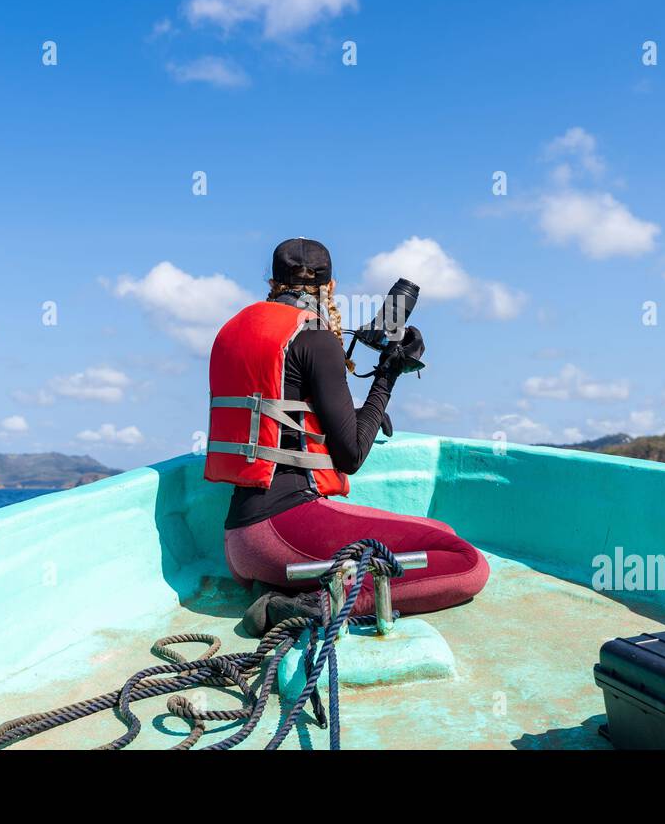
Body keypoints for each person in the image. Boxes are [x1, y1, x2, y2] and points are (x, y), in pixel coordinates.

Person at [204, 238, 490, 636]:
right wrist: (389, 373)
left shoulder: (234, 334)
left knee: (442, 535)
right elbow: (351, 455)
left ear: (271, 283)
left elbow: (280, 410)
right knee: (466, 561)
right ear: (331, 287)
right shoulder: (316, 340)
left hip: (240, 541)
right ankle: (312, 606)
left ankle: (284, 585)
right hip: (283, 530)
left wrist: (356, 415)